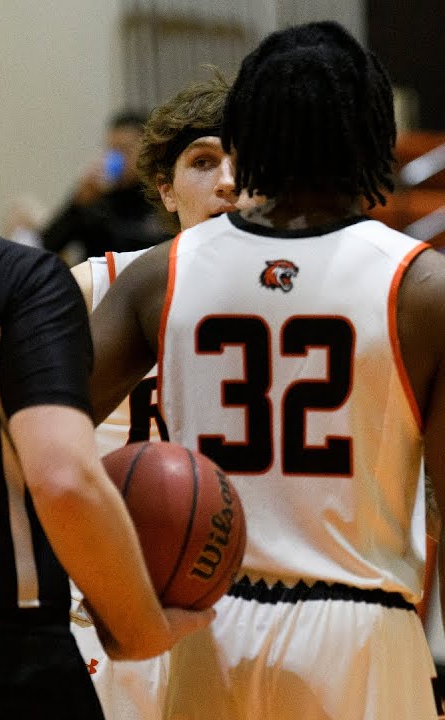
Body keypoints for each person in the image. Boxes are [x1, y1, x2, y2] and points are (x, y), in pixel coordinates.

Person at [88, 22, 445, 720]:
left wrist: (114, 589)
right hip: (360, 630)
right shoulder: (436, 291)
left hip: (205, 623)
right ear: (373, 134)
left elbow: (39, 441)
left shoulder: (162, 275)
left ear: (247, 130)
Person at [67, 71, 256, 719]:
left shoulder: (300, 303)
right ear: (166, 189)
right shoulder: (99, 286)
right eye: (203, 163)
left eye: (245, 164)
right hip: (108, 603)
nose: (227, 181)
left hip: (240, 609)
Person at [0, 234, 211, 717]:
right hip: (77, 599)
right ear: (167, 196)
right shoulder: (51, 283)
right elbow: (63, 480)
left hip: (212, 576)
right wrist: (136, 628)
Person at [41, 111, 172, 261]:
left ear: (148, 152)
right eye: (112, 150)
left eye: (125, 149)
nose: (116, 157)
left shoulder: (162, 197)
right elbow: (47, 246)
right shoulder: (98, 199)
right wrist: (77, 205)